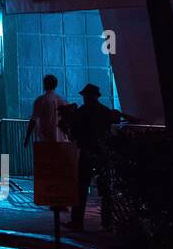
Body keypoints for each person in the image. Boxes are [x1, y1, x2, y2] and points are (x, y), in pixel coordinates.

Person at [61, 84, 124, 231]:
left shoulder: (82, 112)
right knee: (106, 189)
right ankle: (107, 222)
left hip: (86, 152)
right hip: (102, 153)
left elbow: (74, 132)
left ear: (86, 97)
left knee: (81, 188)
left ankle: (77, 221)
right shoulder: (105, 111)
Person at [23, 74, 68, 147]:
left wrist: (27, 137)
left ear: (44, 85)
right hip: (62, 140)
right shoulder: (63, 101)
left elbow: (33, 120)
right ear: (56, 85)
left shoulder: (40, 100)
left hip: (45, 140)